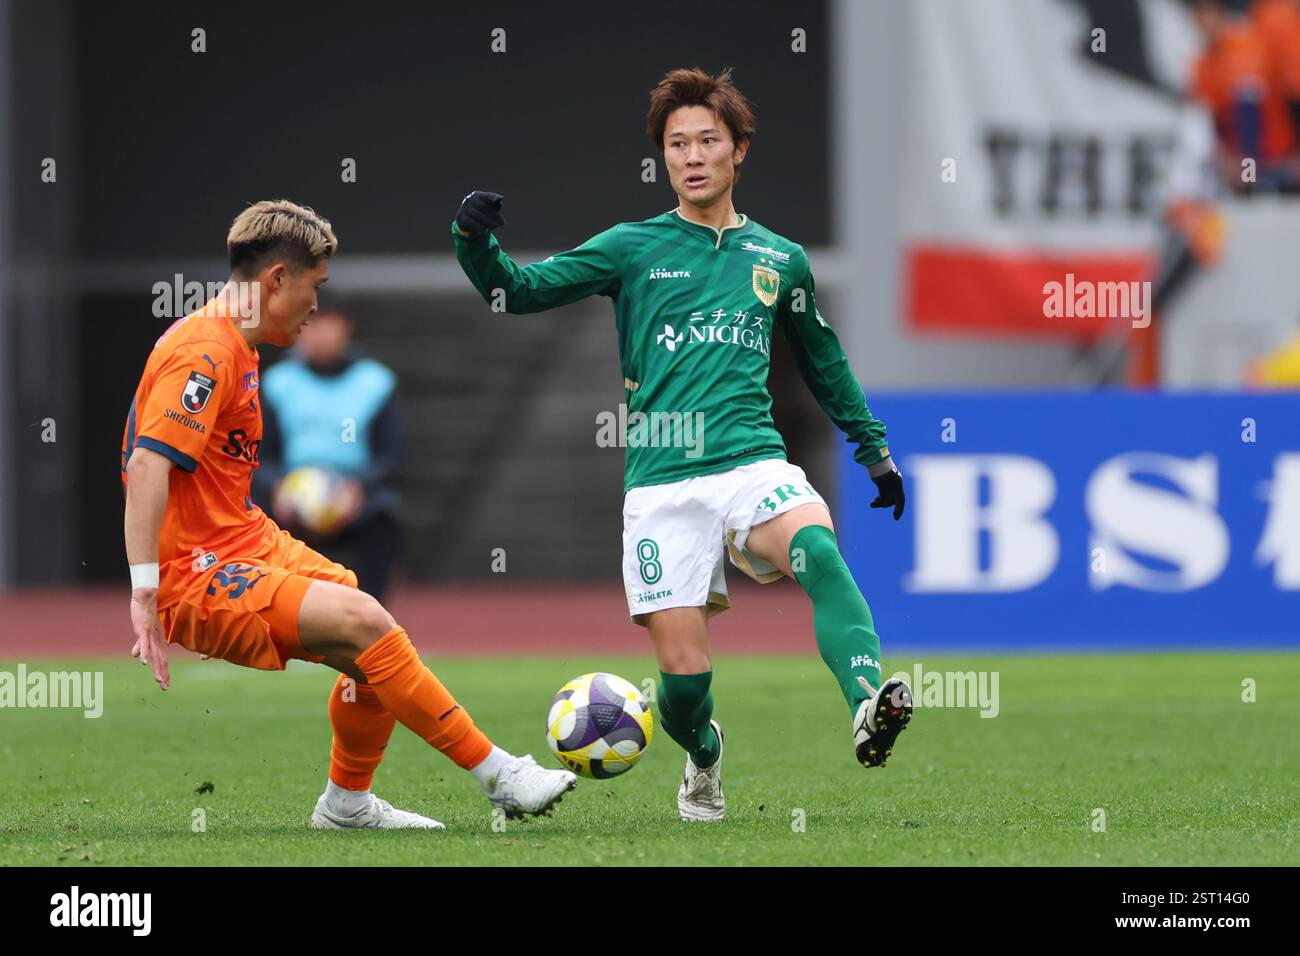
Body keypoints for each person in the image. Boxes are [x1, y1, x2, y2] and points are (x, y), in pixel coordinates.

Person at [451, 68, 912, 822]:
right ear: (663, 158)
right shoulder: (631, 248)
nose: (692, 156)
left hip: (752, 460)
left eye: (707, 141)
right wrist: (473, 240)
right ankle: (703, 758)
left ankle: (868, 705)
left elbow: (824, 361)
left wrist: (873, 449)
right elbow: (521, 291)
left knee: (819, 551)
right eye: (676, 144)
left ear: (740, 151)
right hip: (662, 483)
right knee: (685, 681)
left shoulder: (780, 260)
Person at [122, 199, 575, 830]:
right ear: (277, 279)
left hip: (245, 540)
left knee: (371, 633)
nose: (317, 307)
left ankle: (346, 805)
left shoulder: (242, 346)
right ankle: (501, 775)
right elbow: (147, 466)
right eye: (315, 288)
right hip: (195, 572)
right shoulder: (205, 351)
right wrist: (146, 591)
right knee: (364, 621)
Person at [254, 308, 404, 601]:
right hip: (289, 499)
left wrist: (358, 486)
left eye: (328, 324)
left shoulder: (375, 383)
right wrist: (278, 486)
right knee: (252, 517)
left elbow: (391, 456)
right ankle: (269, 610)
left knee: (386, 517)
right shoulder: (277, 383)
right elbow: (257, 455)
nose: (320, 334)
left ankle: (370, 613)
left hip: (354, 496)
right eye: (311, 325)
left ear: (345, 328)